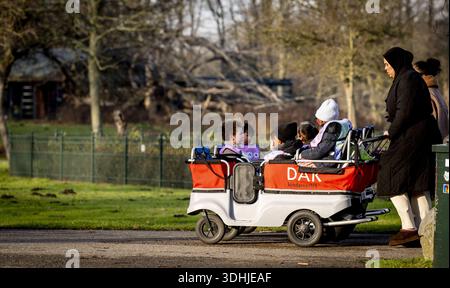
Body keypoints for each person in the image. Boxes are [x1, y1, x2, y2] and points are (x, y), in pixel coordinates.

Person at [378, 47, 442, 246]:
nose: (386, 69)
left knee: (389, 172)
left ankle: (409, 226)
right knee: (417, 183)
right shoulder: (408, 78)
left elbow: (404, 111)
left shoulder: (408, 79)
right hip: (419, 135)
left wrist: (392, 132)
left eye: (387, 65)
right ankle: (426, 229)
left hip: (413, 136)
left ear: (396, 63)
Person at [298, 99, 351, 167]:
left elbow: (319, 152)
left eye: (317, 118)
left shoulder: (332, 129)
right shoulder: (341, 125)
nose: (316, 120)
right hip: (334, 157)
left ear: (323, 119)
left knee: (299, 163)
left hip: (329, 160)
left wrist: (301, 153)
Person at [414, 58, 449, 141]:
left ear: (422, 75)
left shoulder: (426, 93)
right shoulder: (435, 92)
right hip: (440, 140)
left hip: (432, 142)